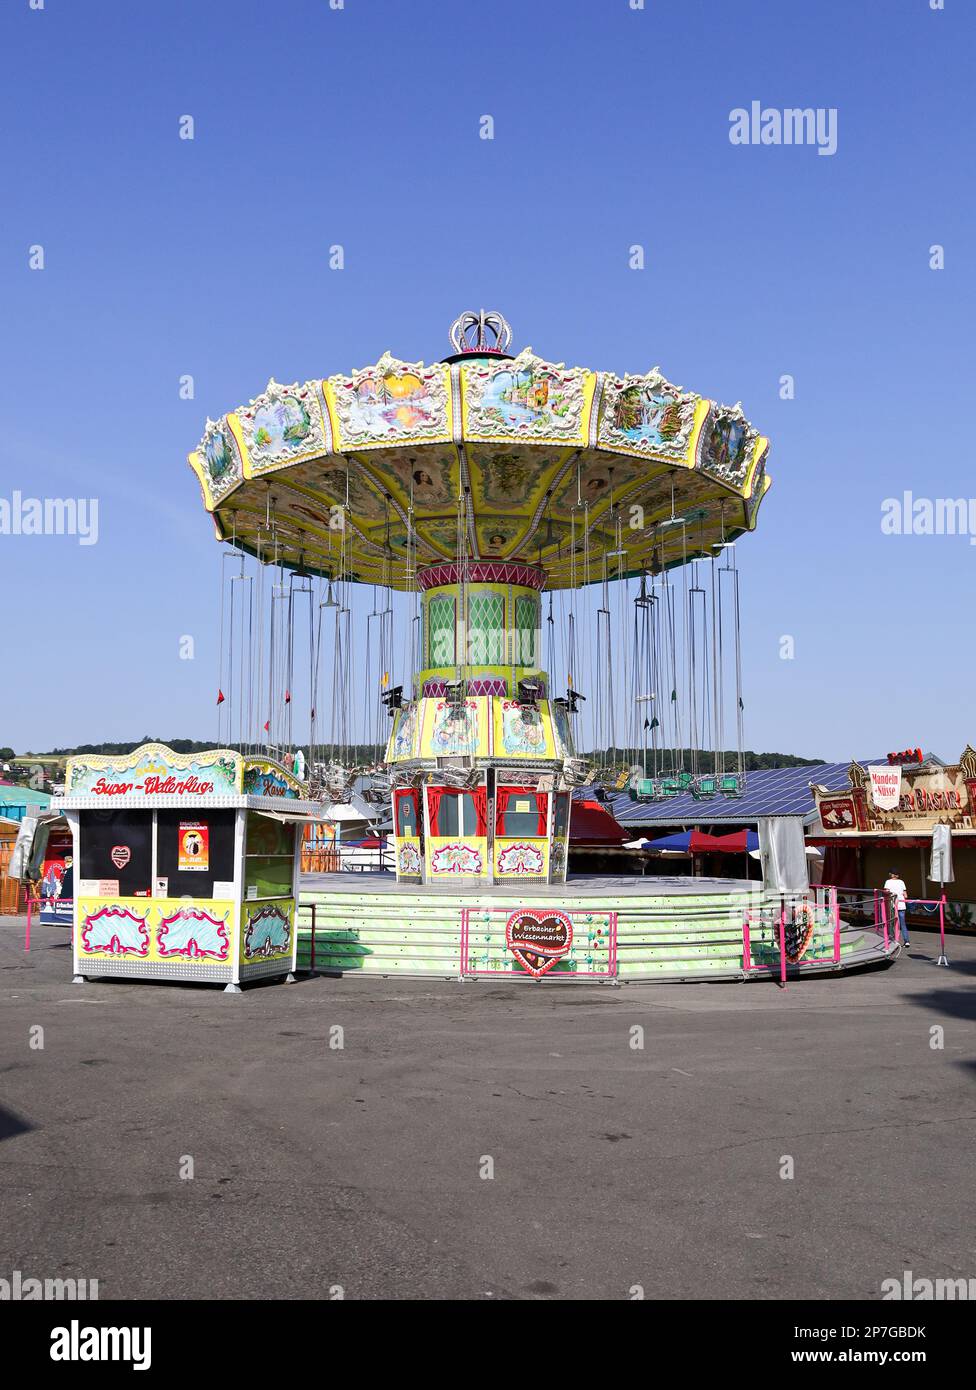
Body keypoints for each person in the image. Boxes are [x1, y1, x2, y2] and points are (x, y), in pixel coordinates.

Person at [883, 869, 910, 949]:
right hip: (901, 904)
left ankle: (892, 940)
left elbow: (886, 892)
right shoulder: (901, 882)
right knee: (902, 924)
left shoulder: (888, 882)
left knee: (891, 922)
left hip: (892, 904)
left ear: (891, 874)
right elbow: (905, 895)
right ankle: (907, 941)